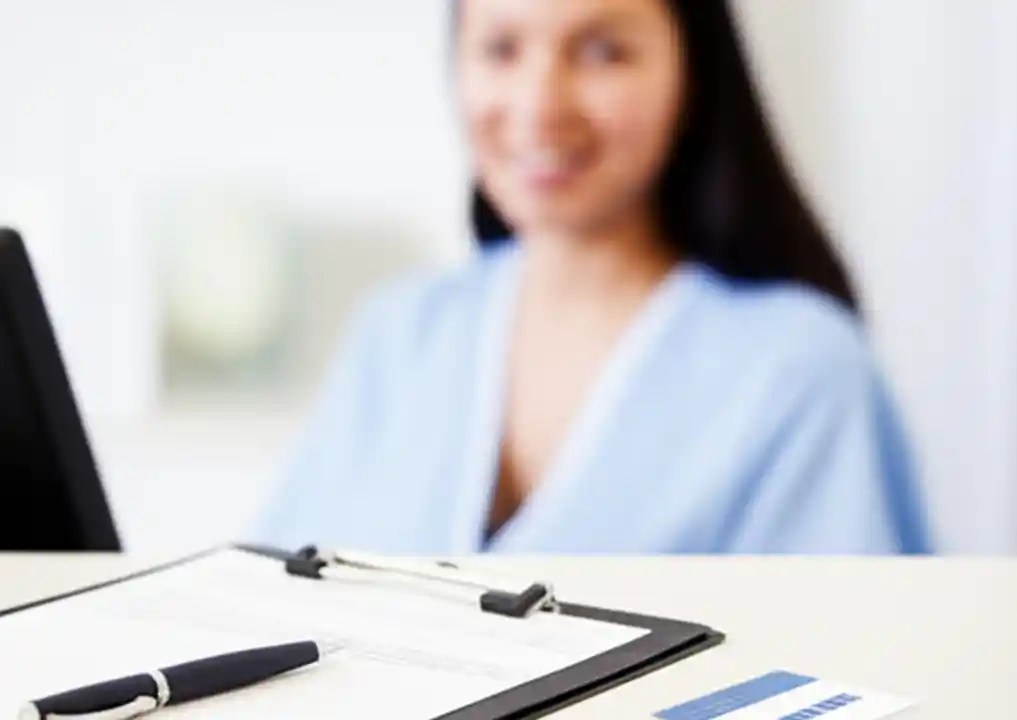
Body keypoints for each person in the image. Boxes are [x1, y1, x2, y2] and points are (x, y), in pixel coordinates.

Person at [246, 0, 932, 555]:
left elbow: (844, 665)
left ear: (692, 74)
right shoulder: (399, 333)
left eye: (603, 51)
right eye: (501, 49)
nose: (540, 103)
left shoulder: (800, 369)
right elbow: (277, 598)